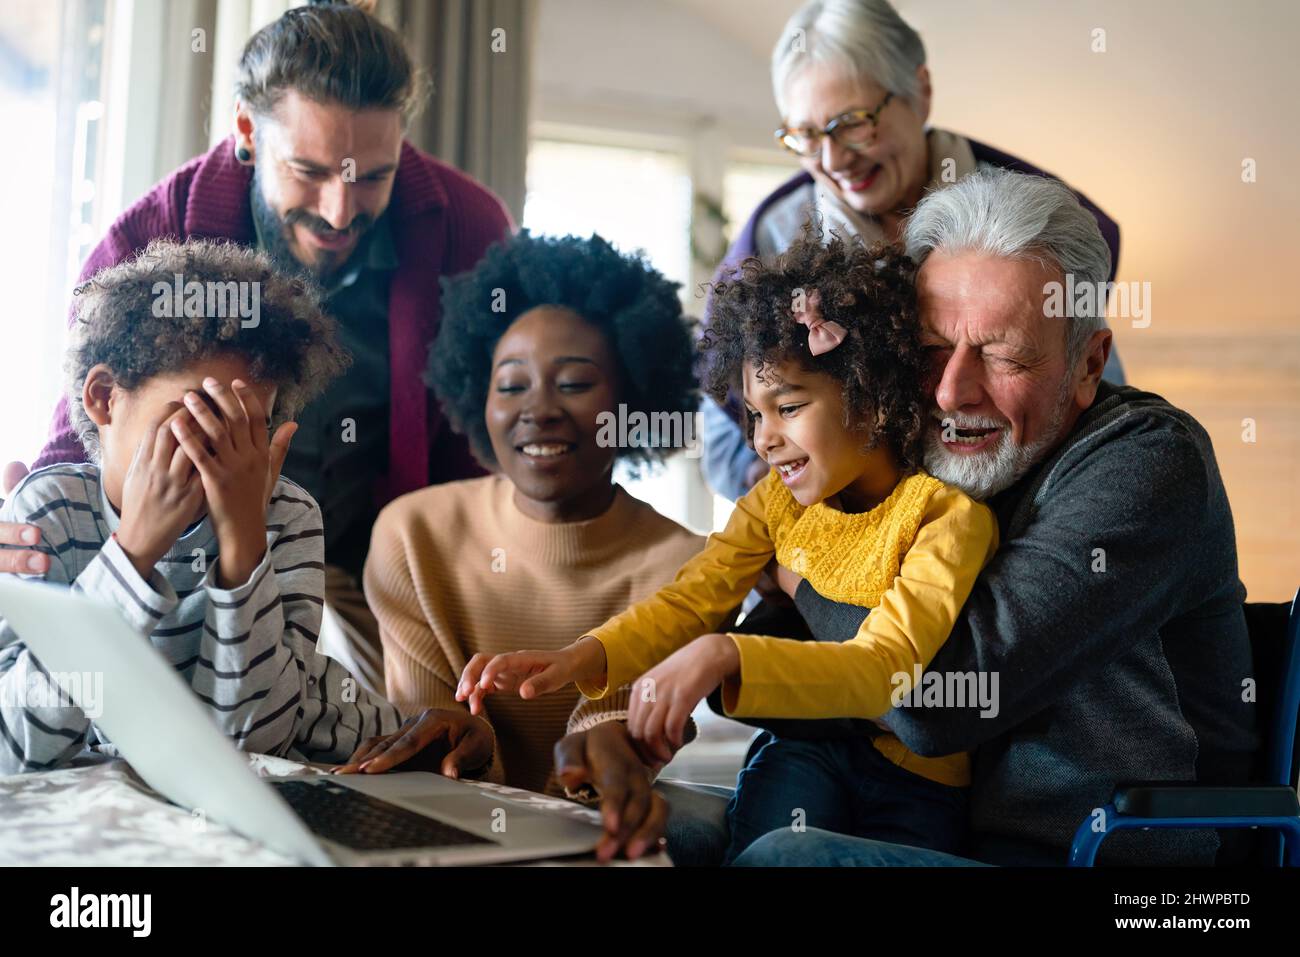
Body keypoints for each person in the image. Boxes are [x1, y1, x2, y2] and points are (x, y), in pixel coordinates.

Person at [732, 169, 1257, 867]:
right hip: (930, 836)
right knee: (673, 829)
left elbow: (934, 704)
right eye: (930, 350)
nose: (952, 391)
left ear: (1089, 365)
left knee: (785, 859)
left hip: (1118, 872)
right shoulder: (926, 453)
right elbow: (765, 677)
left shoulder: (1148, 460)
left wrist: (795, 572)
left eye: (1003, 355)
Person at [7, 1, 514, 695]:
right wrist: (32, 524)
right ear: (247, 130)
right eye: (309, 170)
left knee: (408, 729)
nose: (340, 211)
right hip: (198, 557)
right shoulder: (147, 241)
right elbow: (90, 438)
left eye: (372, 176)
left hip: (384, 566)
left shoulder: (469, 228)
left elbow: (477, 456)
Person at [460, 232, 999, 864]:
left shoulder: (944, 518)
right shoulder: (773, 503)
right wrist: (578, 656)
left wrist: (729, 653)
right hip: (801, 749)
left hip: (918, 786)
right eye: (754, 415)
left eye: (788, 407)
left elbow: (886, 669)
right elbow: (691, 600)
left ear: (873, 400)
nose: (764, 439)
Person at [333, 232, 706, 862]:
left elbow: (613, 744)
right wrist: (467, 743)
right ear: (477, 397)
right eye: (510, 386)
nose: (538, 409)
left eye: (575, 383)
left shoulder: (687, 565)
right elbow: (431, 757)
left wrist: (607, 753)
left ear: (633, 398)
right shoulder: (413, 535)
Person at [0, 239, 407, 774]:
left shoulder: (286, 517)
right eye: (198, 417)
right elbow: (16, 745)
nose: (224, 456)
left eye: (250, 427)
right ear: (103, 397)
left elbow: (254, 745)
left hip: (356, 754)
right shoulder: (48, 514)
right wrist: (133, 553)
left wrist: (243, 541)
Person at [702, 0, 1124, 503]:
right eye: (807, 136)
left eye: (853, 123)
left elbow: (1088, 392)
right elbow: (726, 441)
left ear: (920, 92)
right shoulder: (775, 242)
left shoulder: (1032, 221)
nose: (834, 159)